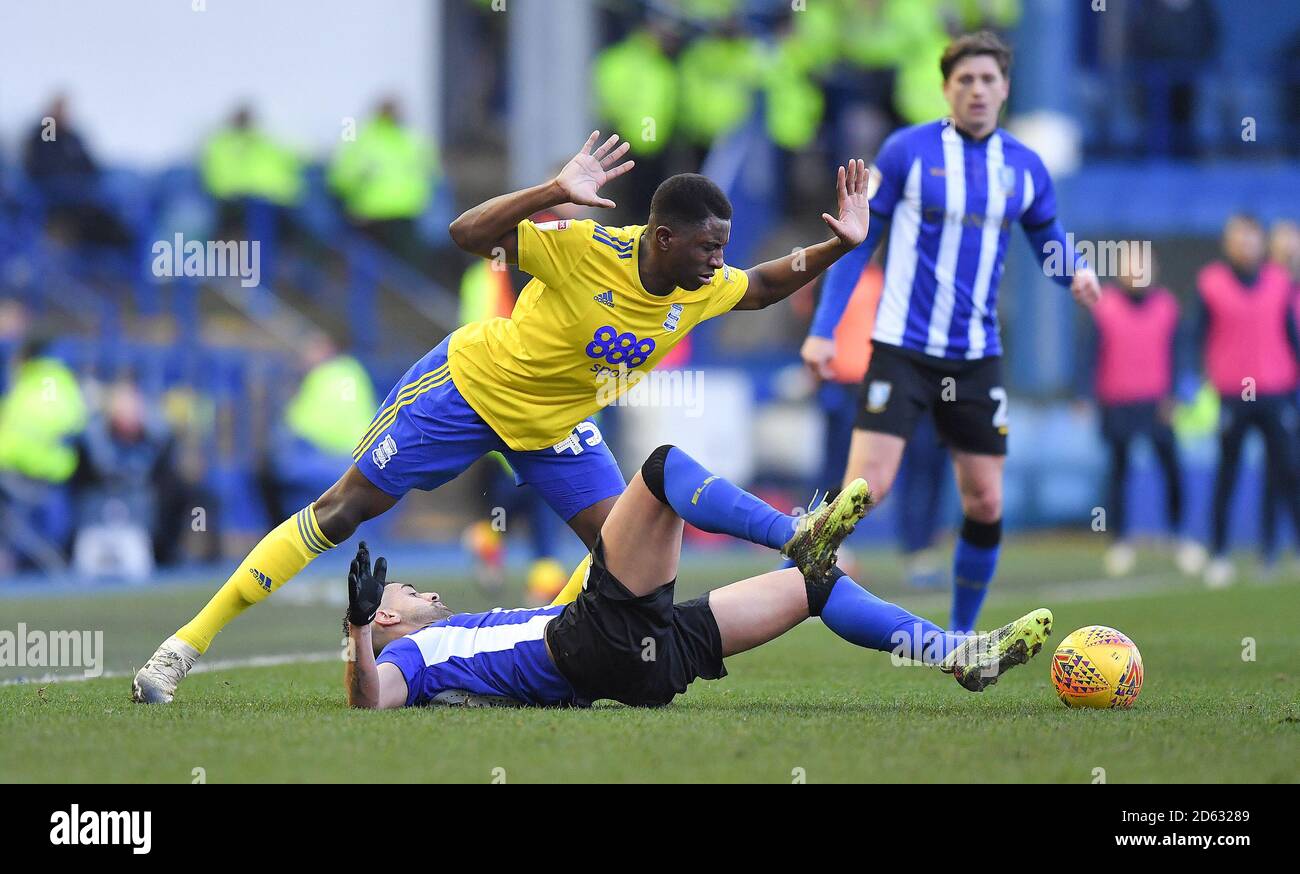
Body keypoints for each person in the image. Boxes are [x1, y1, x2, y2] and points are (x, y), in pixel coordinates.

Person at [132, 131, 875, 703]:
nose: (721, 261)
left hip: (554, 429)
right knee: (341, 509)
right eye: (710, 246)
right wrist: (552, 188)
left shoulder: (702, 284)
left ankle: (536, 652)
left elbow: (766, 286)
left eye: (723, 247)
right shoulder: (585, 250)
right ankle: (183, 646)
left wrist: (835, 247)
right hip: (471, 390)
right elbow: (465, 234)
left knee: (629, 557)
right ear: (662, 238)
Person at [339, 445, 1051, 710]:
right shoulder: (406, 654)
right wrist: (356, 632)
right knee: (661, 469)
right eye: (403, 594)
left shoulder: (456, 633)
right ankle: (792, 530)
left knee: (815, 588)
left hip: (634, 666)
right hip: (591, 645)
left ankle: (963, 657)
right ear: (387, 619)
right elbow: (371, 702)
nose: (423, 592)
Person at [801, 32, 1101, 633]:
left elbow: (1046, 235)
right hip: (902, 351)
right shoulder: (907, 152)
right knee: (864, 490)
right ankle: (797, 574)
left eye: (989, 80)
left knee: (986, 501)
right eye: (965, 80)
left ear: (1006, 88)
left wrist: (1075, 270)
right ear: (946, 89)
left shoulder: (1024, 166)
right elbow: (858, 246)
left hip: (975, 358)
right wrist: (823, 330)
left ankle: (962, 637)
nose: (978, 90)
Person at [1083, 250, 1203, 577]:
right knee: (1118, 472)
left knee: (1172, 468)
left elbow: (1181, 353)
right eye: (1130, 267)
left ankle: (1179, 536)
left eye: (1142, 267)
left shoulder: (1167, 306)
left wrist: (1178, 394)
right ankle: (1119, 541)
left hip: (1157, 402)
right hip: (1117, 400)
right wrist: (1085, 395)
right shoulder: (1103, 305)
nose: (1136, 273)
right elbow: (1090, 353)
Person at [1199, 214, 1300, 587]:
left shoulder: (1279, 284)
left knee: (1288, 471)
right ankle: (1219, 553)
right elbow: (1200, 333)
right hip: (1232, 392)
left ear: (1262, 243)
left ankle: (1279, 550)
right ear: (1228, 243)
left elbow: (1291, 335)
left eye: (1252, 239)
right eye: (1239, 239)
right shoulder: (1211, 282)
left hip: (1276, 390)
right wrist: (1204, 378)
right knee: (1228, 472)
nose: (1246, 245)